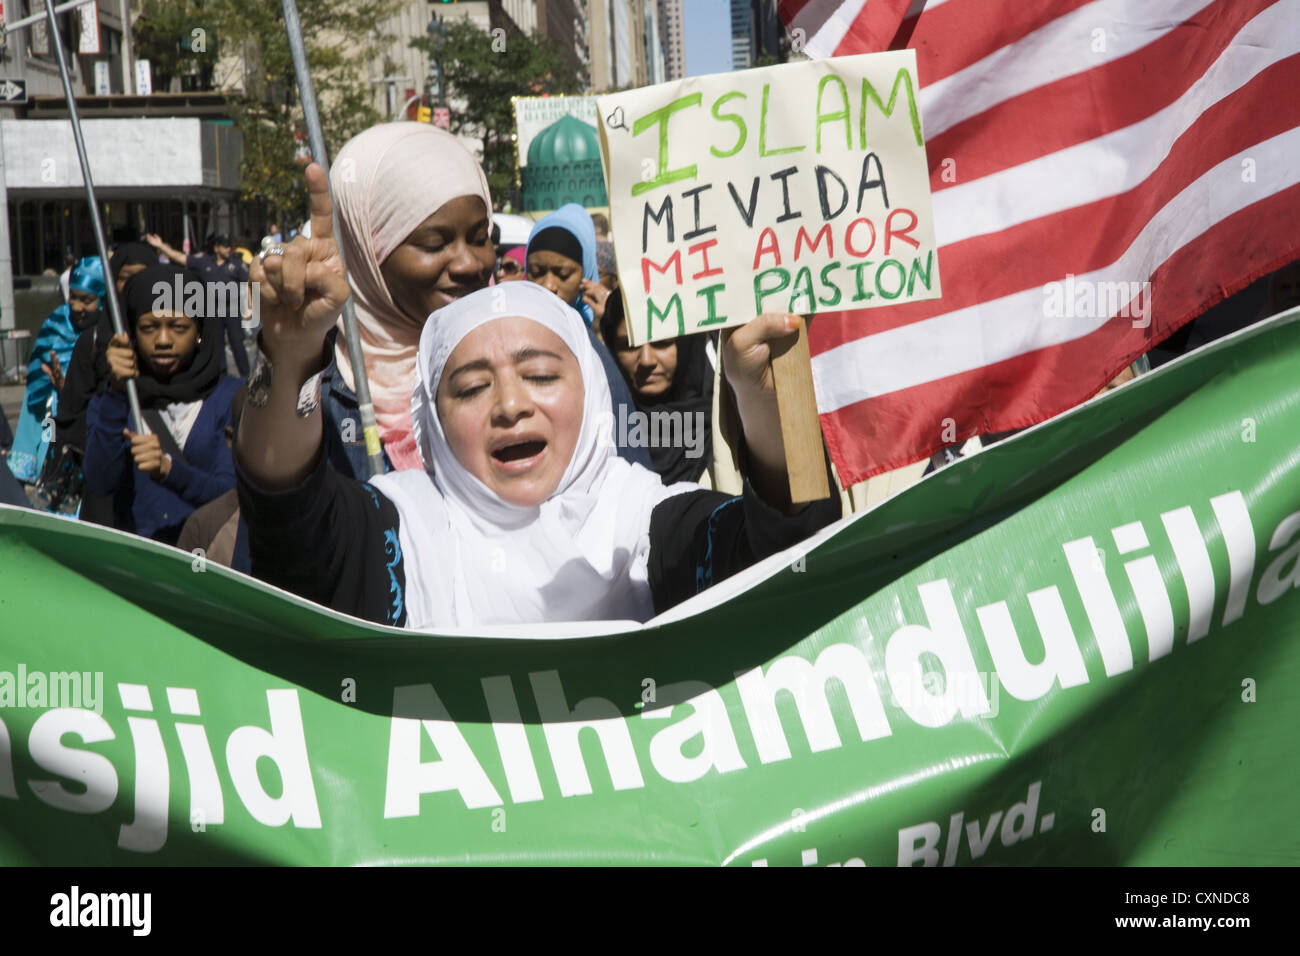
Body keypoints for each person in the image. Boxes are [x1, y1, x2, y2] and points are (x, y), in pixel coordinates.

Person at [236, 178, 840, 628]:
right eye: (471, 387)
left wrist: (768, 404)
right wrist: (287, 362)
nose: (511, 405)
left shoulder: (637, 525)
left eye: (543, 375)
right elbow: (287, 514)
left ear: (594, 393)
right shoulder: (400, 530)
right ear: (433, 422)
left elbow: (786, 556)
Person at [82, 263, 242, 545]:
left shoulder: (232, 397)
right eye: (149, 327)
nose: (163, 340)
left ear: (200, 331)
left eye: (178, 327)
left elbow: (230, 493)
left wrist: (169, 471)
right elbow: (99, 481)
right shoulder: (115, 399)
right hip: (142, 566)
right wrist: (117, 393)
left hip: (213, 565)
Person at [6, 257, 106, 485]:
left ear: (102, 300)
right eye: (73, 297)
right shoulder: (56, 323)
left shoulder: (106, 335)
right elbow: (36, 393)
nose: (77, 307)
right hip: (50, 421)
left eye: (87, 300)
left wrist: (70, 390)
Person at [599, 290, 714, 485]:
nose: (646, 360)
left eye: (662, 343)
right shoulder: (599, 426)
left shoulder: (727, 424)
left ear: (687, 344)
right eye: (629, 345)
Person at [145, 231, 250, 376]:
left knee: (237, 344)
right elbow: (181, 258)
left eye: (229, 246)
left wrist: (251, 307)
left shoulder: (236, 264)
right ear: (216, 248)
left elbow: (250, 283)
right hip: (212, 310)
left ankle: (247, 378)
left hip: (231, 309)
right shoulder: (204, 262)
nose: (228, 249)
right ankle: (221, 379)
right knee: (216, 346)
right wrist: (161, 246)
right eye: (225, 246)